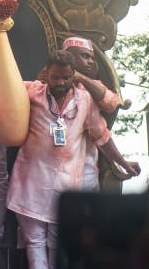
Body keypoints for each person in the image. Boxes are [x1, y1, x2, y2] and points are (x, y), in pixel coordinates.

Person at [7, 50, 141, 269]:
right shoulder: (31, 91)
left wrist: (123, 163)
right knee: (34, 242)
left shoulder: (85, 100)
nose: (60, 82)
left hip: (65, 186)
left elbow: (102, 137)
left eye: (66, 78)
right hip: (30, 183)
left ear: (73, 76)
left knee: (57, 246)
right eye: (55, 77)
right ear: (46, 74)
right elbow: (4, 87)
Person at [61, 36, 125, 190]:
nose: (90, 61)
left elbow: (111, 104)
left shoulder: (88, 93)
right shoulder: (43, 86)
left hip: (85, 174)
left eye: (92, 58)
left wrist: (81, 78)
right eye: (85, 56)